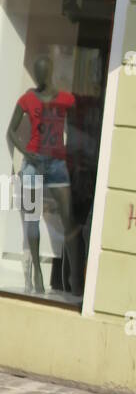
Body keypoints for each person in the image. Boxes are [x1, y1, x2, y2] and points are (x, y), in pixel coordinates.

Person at [6, 55, 82, 298]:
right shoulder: (26, 99)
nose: (39, 75)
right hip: (32, 164)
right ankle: (37, 270)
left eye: (43, 70)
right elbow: (11, 131)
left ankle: (76, 277)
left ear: (48, 72)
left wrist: (74, 155)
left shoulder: (65, 98)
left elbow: (76, 129)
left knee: (68, 219)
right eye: (36, 71)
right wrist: (25, 150)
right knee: (32, 219)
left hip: (57, 163)